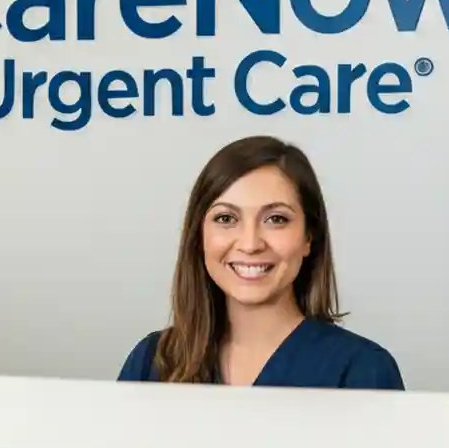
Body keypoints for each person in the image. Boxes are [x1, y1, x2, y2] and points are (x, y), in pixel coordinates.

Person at [117, 135, 404, 390]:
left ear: (309, 237)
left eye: (276, 219)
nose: (250, 244)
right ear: (199, 235)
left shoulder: (363, 370)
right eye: (226, 218)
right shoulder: (152, 361)